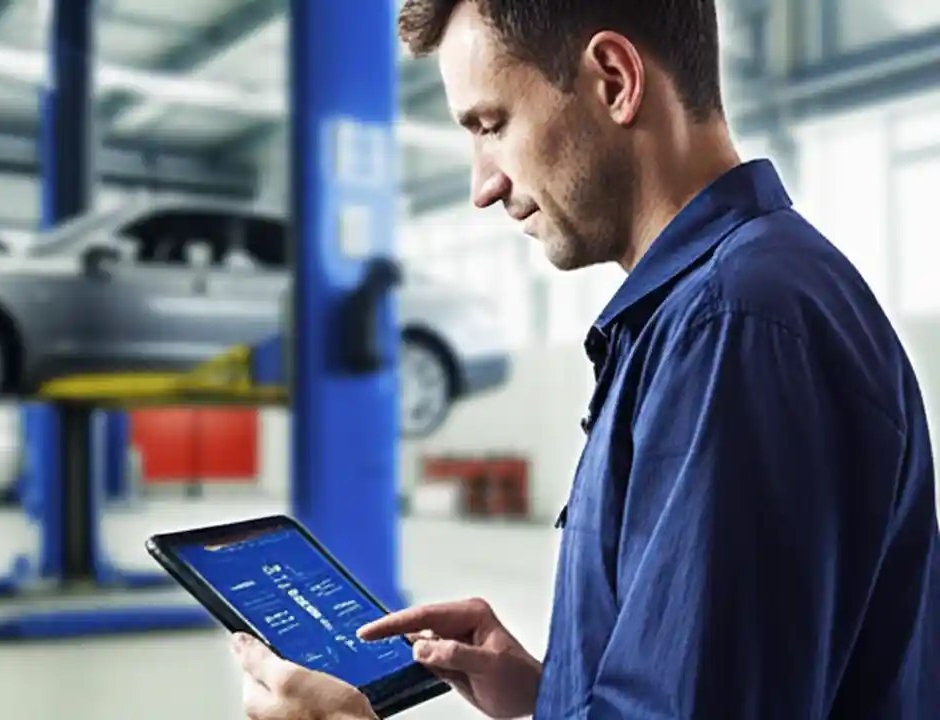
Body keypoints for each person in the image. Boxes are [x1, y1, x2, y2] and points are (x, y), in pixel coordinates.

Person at [231, 0, 940, 718]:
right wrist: (551, 695)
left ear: (613, 80)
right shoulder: (704, 312)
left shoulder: (735, 325)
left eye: (491, 126)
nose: (484, 186)